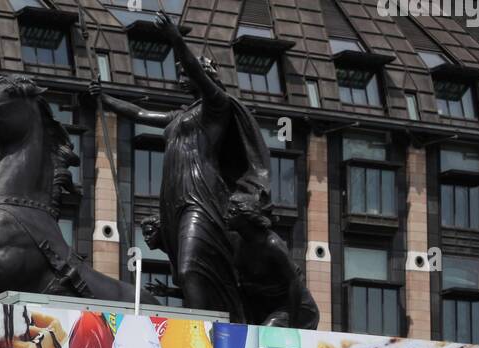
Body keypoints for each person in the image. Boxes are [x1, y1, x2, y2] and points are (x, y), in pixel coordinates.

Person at [90, 11, 270, 321]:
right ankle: (205, 320)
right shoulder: (180, 115)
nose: (181, 78)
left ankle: (202, 332)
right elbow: (140, 113)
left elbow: (195, 71)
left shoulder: (218, 106)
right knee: (186, 268)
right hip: (174, 196)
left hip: (202, 194)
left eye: (187, 74)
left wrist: (175, 38)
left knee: (191, 266)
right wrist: (106, 99)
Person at [226, 191, 320, 329]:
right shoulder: (238, 243)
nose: (225, 216)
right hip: (267, 308)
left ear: (246, 216)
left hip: (296, 309)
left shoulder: (272, 244)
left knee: (266, 335)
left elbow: (294, 282)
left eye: (232, 212)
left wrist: (292, 327)